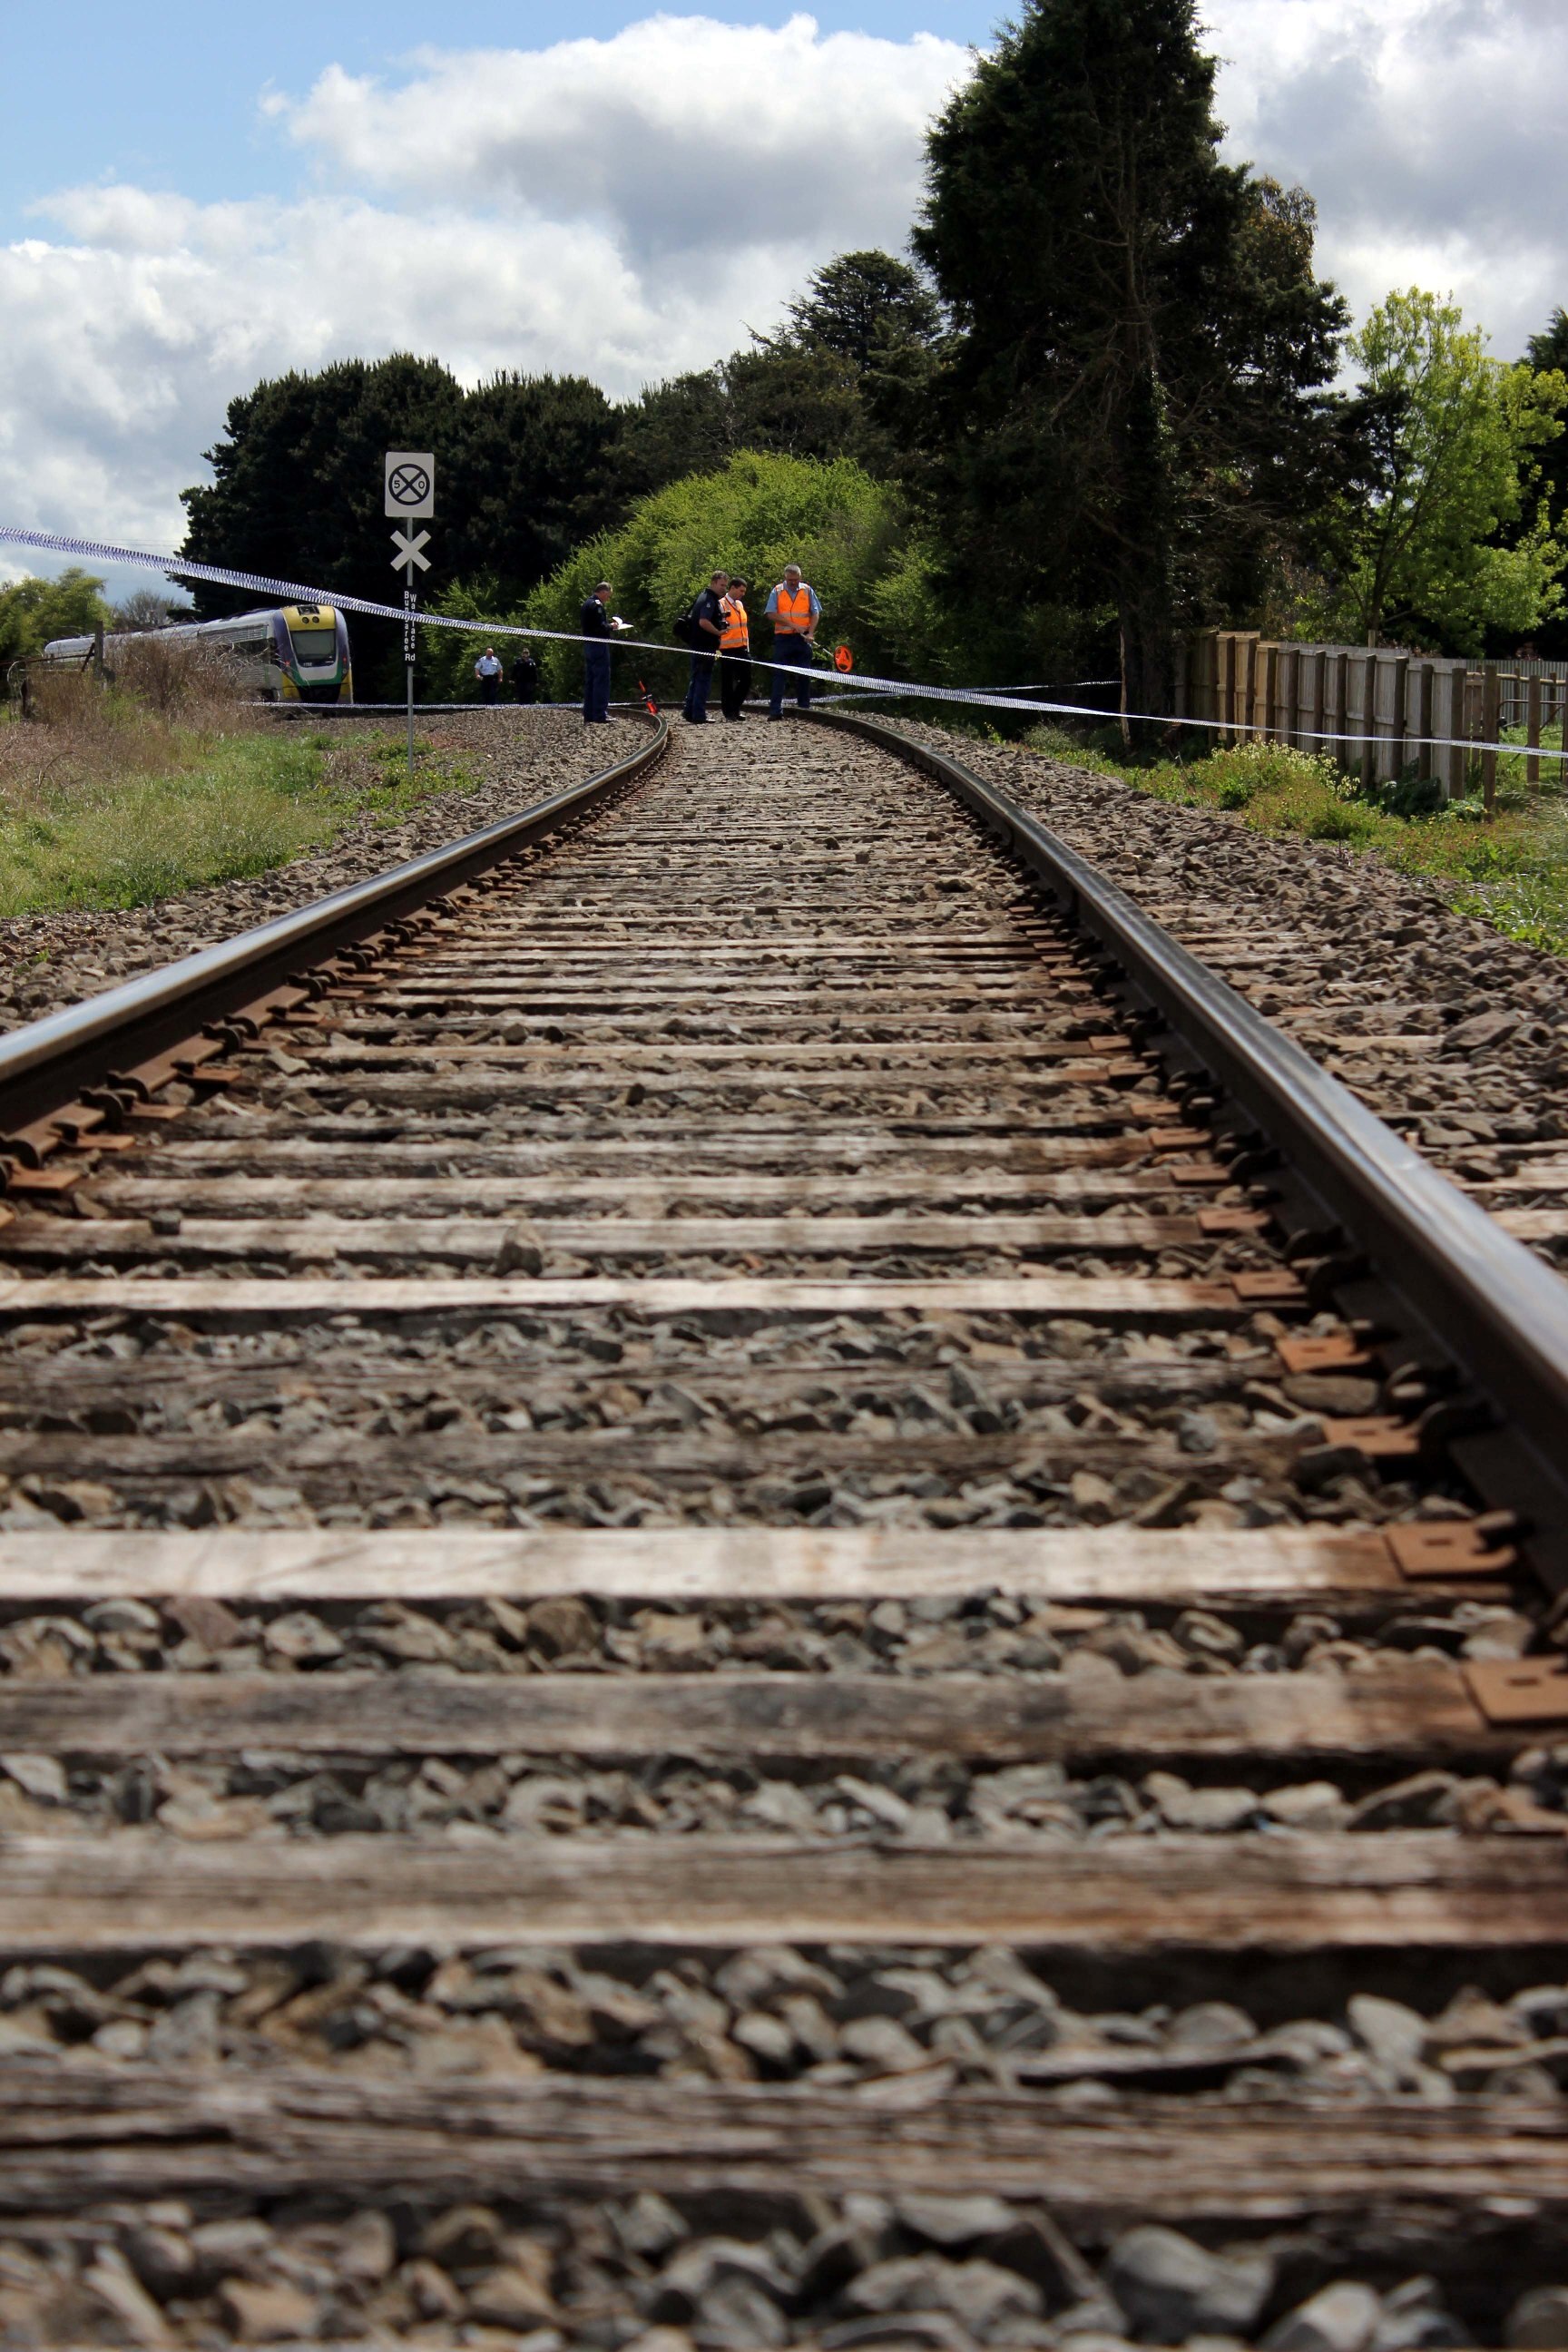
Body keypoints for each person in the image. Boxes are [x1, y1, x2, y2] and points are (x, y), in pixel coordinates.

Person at [765, 564, 820, 719]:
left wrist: (811, 633)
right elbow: (770, 613)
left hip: (802, 639)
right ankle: (775, 710)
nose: (793, 583)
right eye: (790, 580)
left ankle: (804, 708)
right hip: (783, 638)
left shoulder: (807, 590)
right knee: (779, 674)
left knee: (804, 673)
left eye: (795, 580)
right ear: (785, 578)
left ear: (800, 578)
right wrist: (791, 625)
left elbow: (815, 613)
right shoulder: (777, 591)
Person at [682, 570, 728, 723]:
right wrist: (718, 632)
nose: (724, 589)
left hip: (698, 645)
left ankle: (689, 712)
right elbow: (704, 621)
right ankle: (699, 715)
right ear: (713, 583)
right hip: (704, 646)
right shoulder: (709, 599)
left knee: (696, 679)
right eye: (722, 585)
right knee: (703, 680)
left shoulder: (702, 597)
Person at [580, 582, 616, 723]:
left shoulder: (586, 604)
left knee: (590, 680)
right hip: (599, 646)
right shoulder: (597, 605)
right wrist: (612, 626)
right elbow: (600, 627)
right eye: (608, 595)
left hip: (588, 646)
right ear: (603, 592)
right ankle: (600, 714)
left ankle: (589, 713)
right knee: (601, 679)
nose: (608, 598)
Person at [718, 576, 751, 720]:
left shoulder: (740, 605)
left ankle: (735, 707)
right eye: (741, 590)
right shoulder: (720, 604)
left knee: (746, 679)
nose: (742, 594)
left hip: (742, 648)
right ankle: (729, 712)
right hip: (727, 649)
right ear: (732, 588)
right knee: (727, 682)